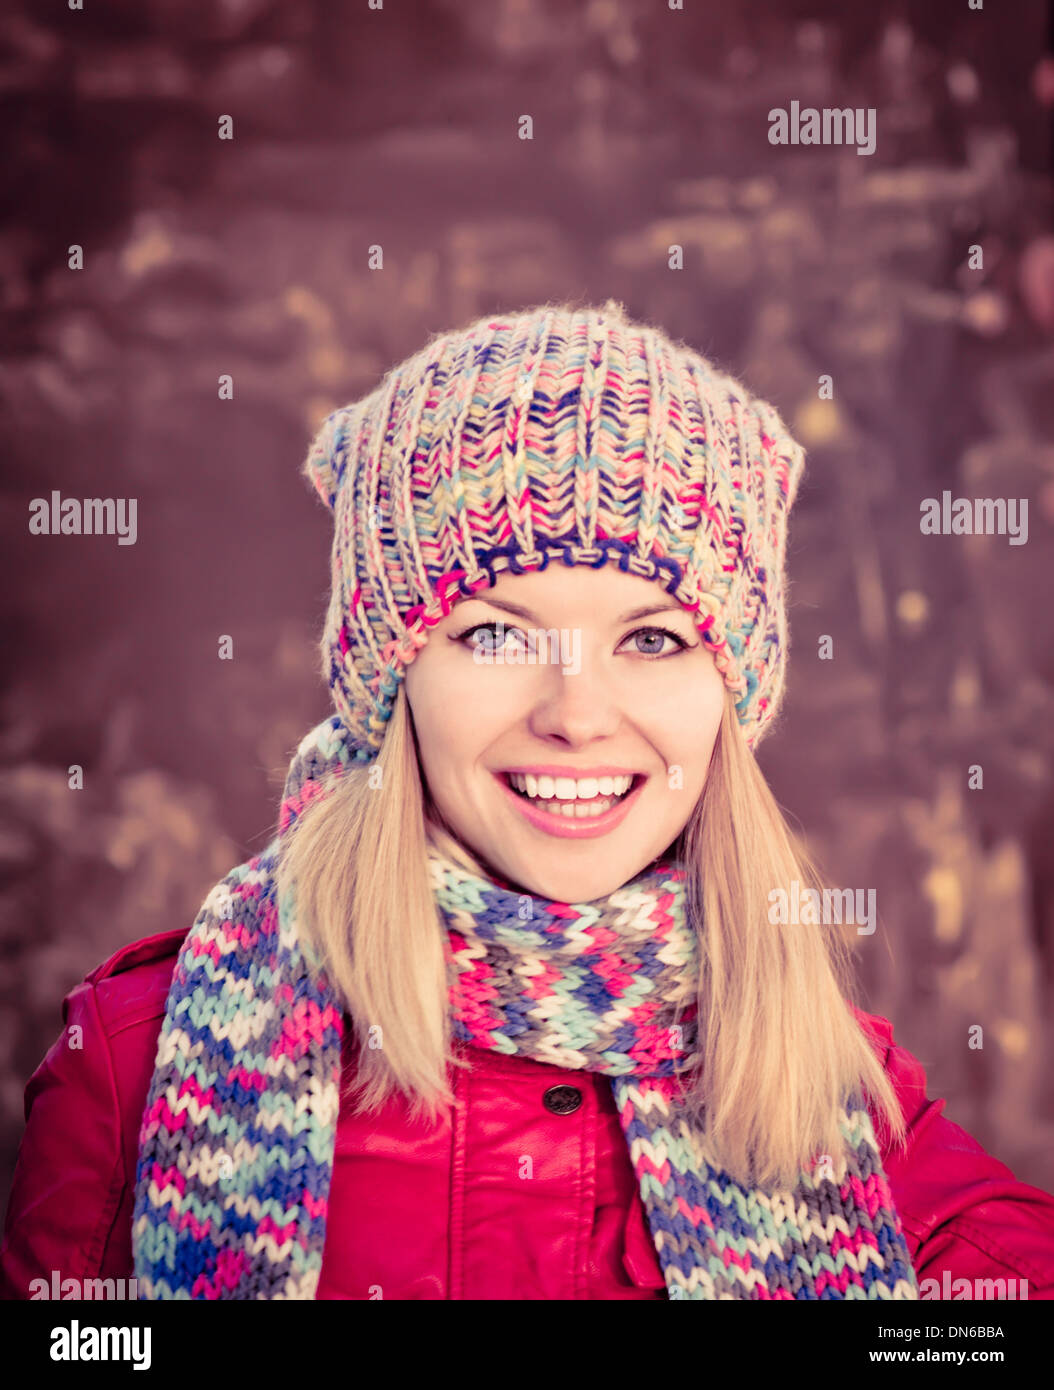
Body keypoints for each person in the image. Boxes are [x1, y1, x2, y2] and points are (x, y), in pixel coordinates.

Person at [3, 300, 1054, 1301]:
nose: (577, 714)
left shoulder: (834, 1086)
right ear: (392, 678)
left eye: (651, 639)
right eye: (496, 635)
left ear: (729, 697)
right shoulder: (133, 1065)